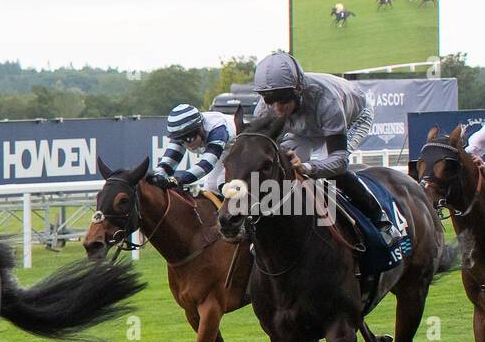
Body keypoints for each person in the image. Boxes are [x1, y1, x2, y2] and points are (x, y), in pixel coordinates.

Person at [251, 51, 399, 251]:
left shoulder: (326, 100)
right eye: (270, 101)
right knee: (280, 167)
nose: (277, 109)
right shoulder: (265, 107)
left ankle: (380, 220)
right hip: (304, 128)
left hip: (353, 118)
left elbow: (339, 160)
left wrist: (307, 167)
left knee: (330, 169)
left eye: (283, 101)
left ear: (298, 90)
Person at [149, 103, 236, 193]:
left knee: (221, 184)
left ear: (200, 128)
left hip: (244, 147)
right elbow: (167, 164)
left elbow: (206, 165)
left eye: (189, 138)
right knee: (211, 186)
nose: (187, 144)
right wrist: (157, 177)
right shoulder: (181, 135)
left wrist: (178, 180)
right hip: (227, 150)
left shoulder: (217, 130)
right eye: (181, 141)